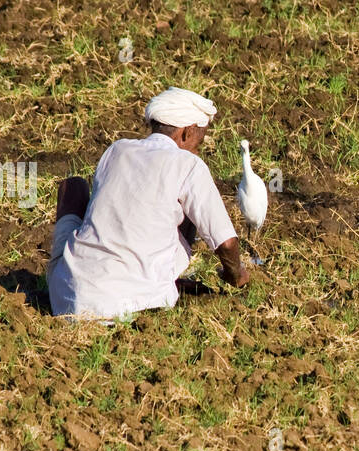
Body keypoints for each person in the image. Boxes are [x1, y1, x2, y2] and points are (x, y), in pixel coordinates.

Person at [47, 87, 249, 320]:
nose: (197, 151)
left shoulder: (117, 149)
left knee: (73, 186)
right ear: (187, 132)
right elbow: (226, 244)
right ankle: (156, 277)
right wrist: (237, 276)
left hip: (66, 296)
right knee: (187, 206)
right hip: (133, 301)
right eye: (198, 143)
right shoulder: (188, 164)